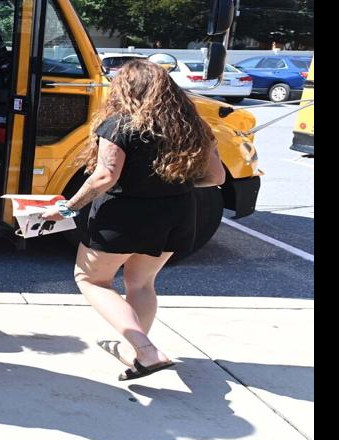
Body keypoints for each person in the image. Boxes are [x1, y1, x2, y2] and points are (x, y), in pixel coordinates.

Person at [40, 58, 225, 381]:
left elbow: (104, 177)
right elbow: (216, 177)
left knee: (91, 280)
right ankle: (138, 352)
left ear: (124, 90)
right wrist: (168, 183)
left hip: (123, 216)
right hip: (177, 214)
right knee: (141, 283)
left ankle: (146, 350)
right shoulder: (194, 126)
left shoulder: (119, 125)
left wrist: (66, 209)